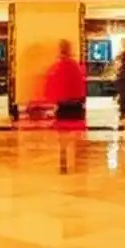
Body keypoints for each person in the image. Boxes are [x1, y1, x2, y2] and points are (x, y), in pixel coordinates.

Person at [44, 39, 88, 172]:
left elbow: (52, 86)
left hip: (63, 106)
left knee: (63, 138)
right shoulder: (75, 66)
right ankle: (78, 162)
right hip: (75, 106)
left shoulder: (57, 67)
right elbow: (81, 87)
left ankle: (63, 161)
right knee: (77, 136)